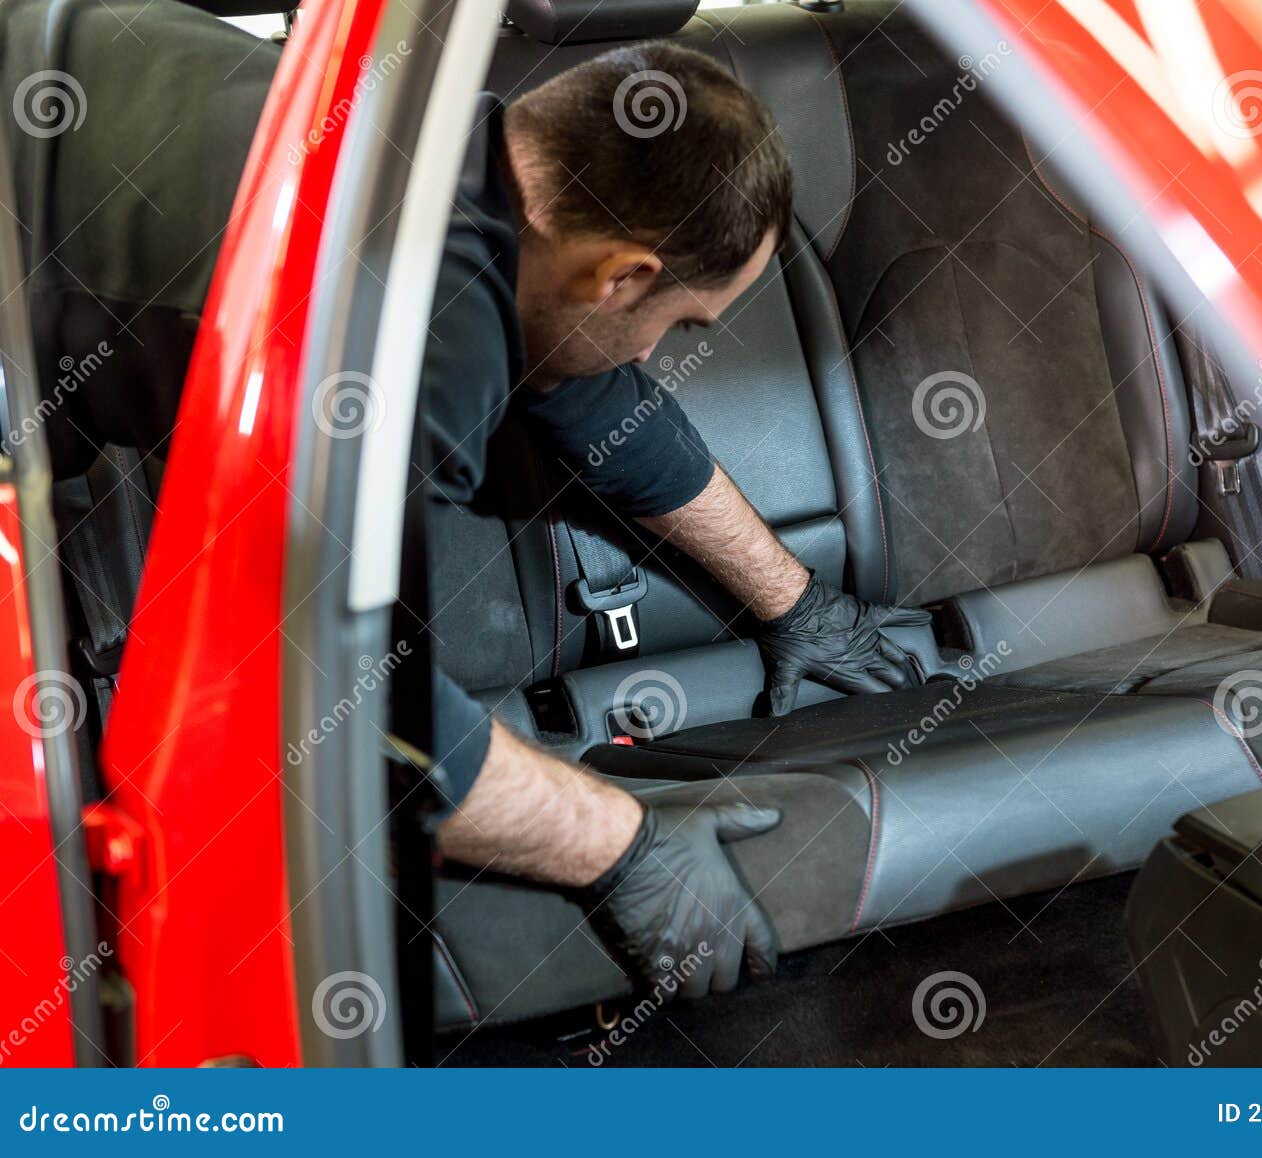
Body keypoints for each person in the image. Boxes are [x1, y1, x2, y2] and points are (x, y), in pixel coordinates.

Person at [3, 0, 929, 999]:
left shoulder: (432, 131)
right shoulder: (411, 323)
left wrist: (797, 603)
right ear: (621, 277)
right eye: (679, 323)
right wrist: (624, 843)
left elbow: (596, 397)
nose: (660, 355)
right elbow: (317, 690)